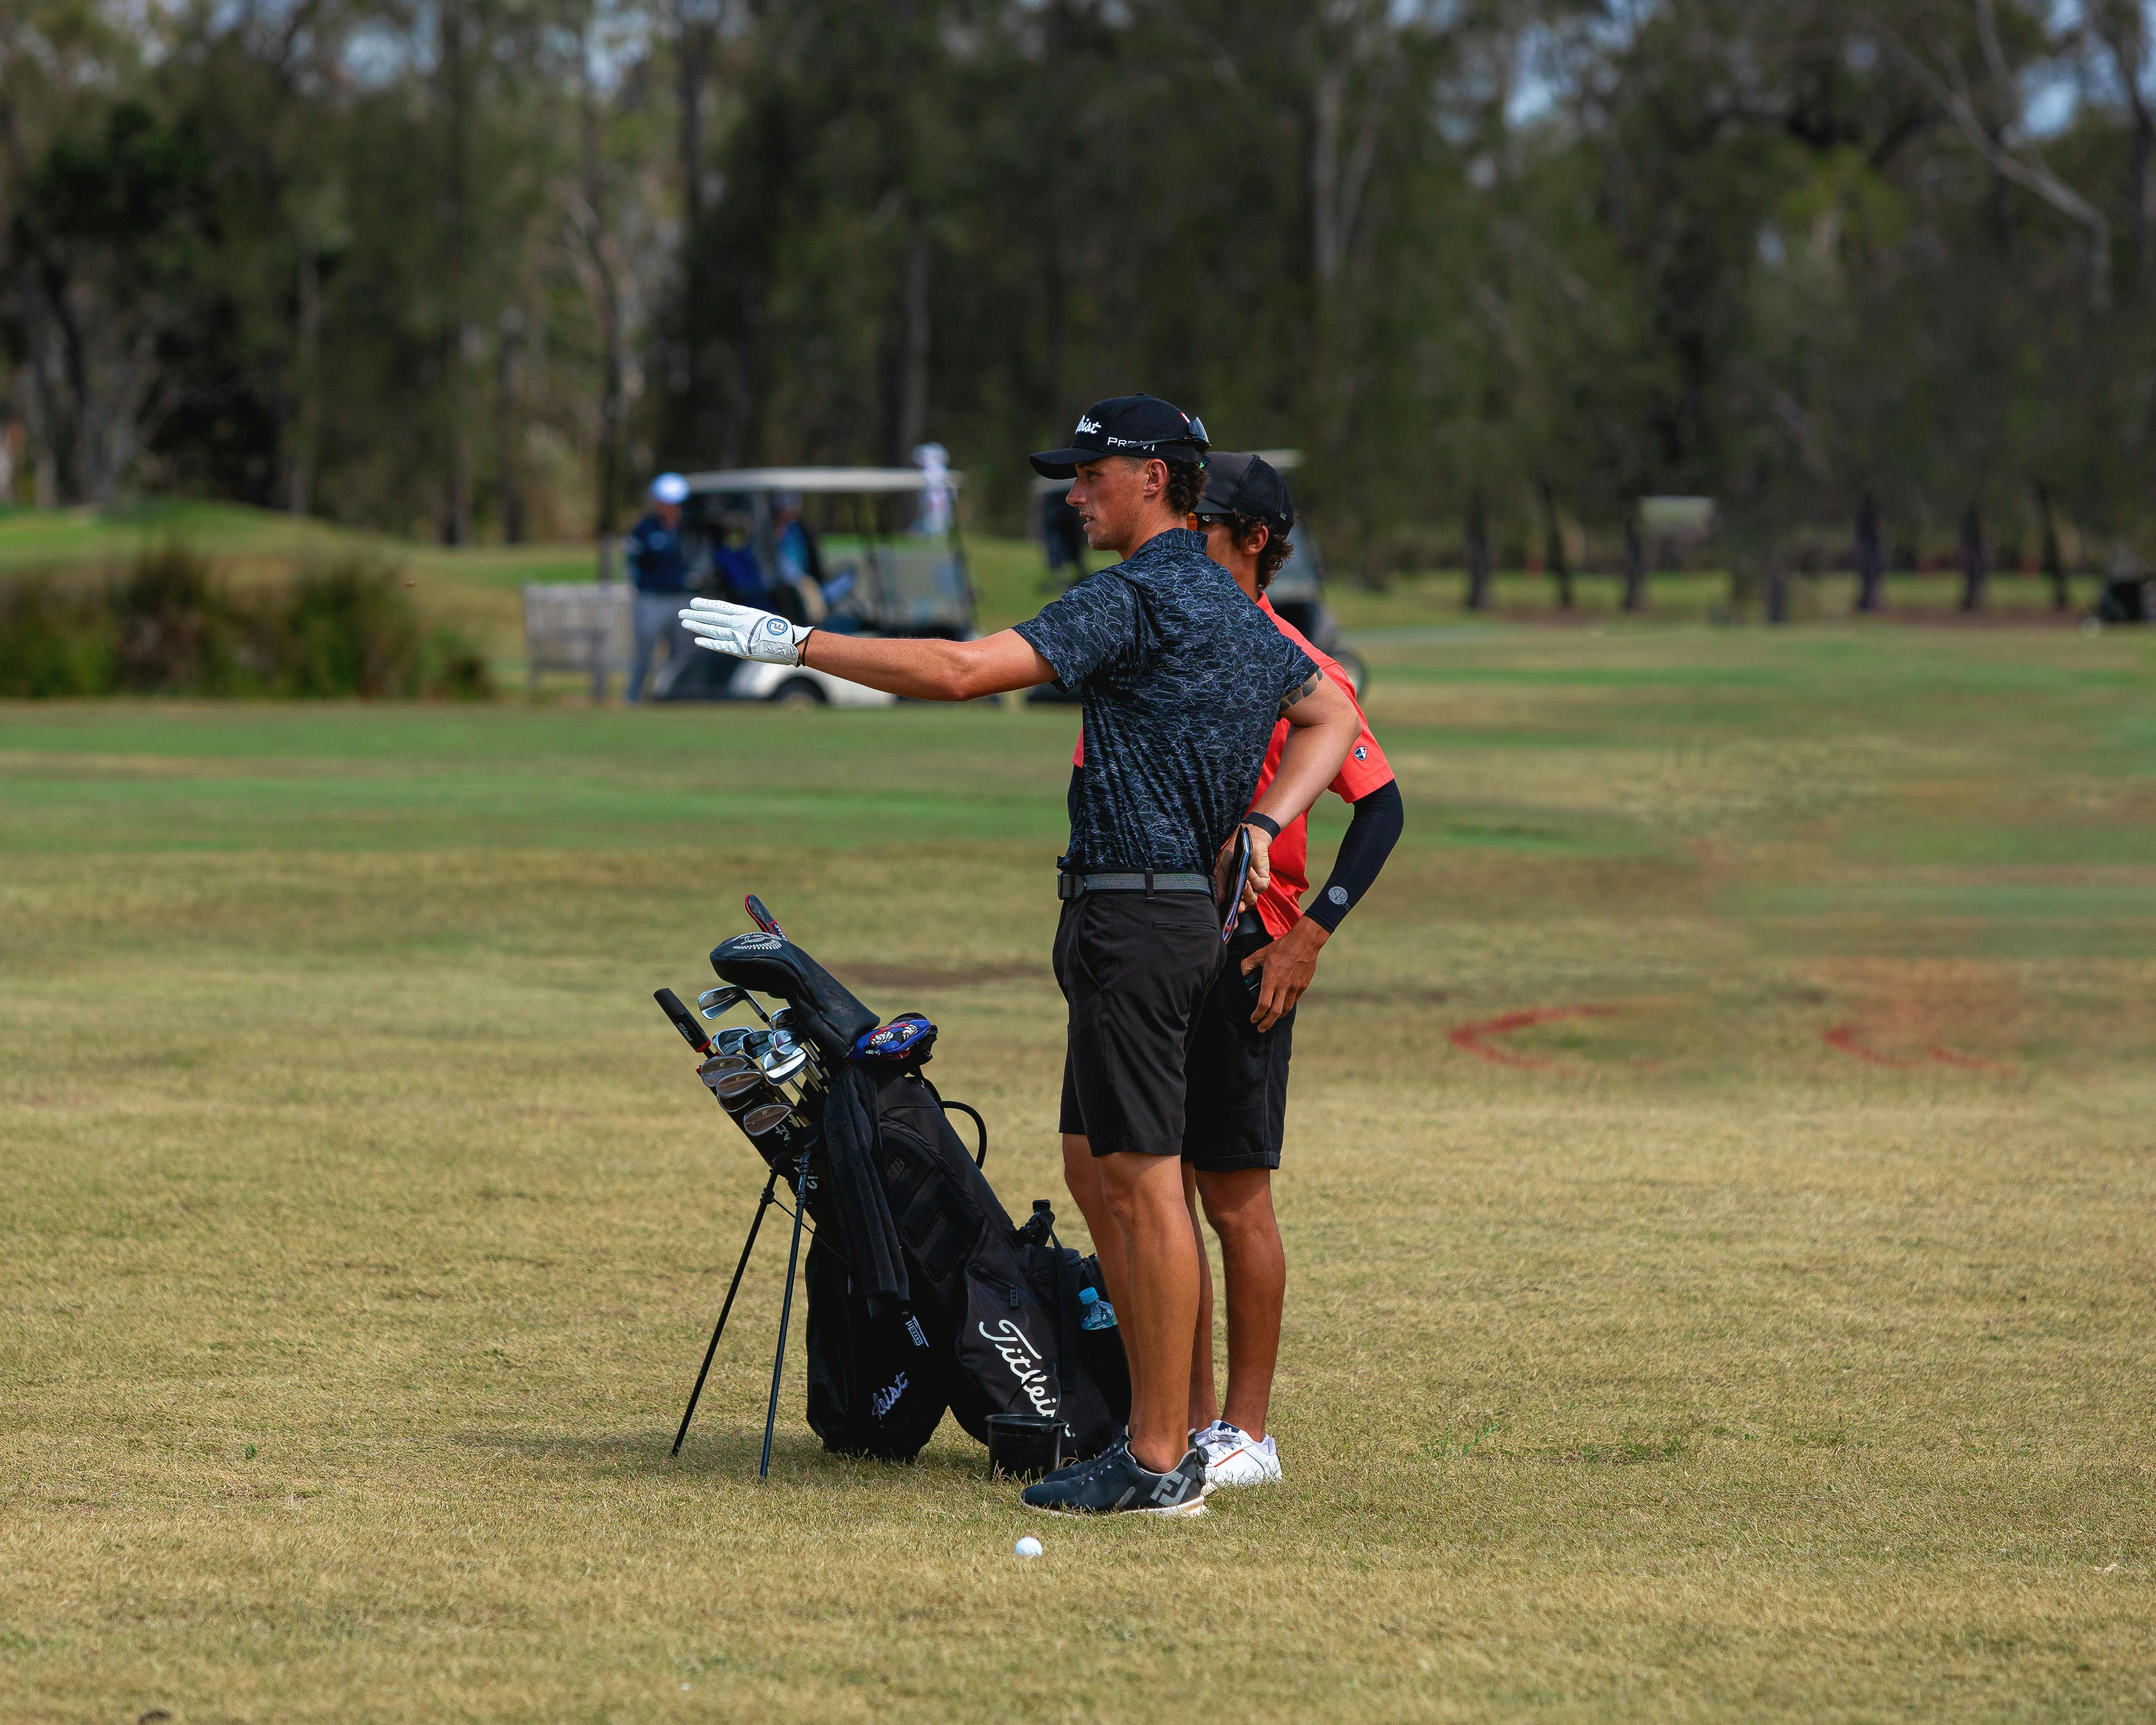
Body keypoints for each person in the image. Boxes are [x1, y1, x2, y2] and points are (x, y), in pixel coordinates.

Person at [675, 396, 1361, 1517]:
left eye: (1089, 476)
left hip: (1131, 923)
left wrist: (792, 641)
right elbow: (1330, 711)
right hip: (1177, 918)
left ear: (1153, 477)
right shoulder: (1234, 612)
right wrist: (1261, 823)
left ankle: (1155, 1462)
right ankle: (1163, 1439)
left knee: (1140, 1189)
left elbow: (955, 673)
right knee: (1139, 1184)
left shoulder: (1135, 597)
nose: (1072, 494)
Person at [1062, 452, 1403, 1490]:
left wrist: (1310, 935)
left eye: (1205, 529)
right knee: (1107, 1169)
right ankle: (1176, 1411)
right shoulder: (1153, 636)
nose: (1187, 545)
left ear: (1252, 539)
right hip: (1157, 932)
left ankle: (1244, 1431)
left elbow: (1380, 806)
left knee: (1230, 1195)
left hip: (1250, 943)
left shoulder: (1291, 659)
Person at [625, 473, 693, 703]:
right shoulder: (645, 529)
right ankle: (633, 698)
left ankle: (668, 695)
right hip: (652, 599)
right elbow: (632, 563)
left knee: (681, 652)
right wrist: (642, 588)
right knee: (645, 653)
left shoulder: (687, 530)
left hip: (680, 599)